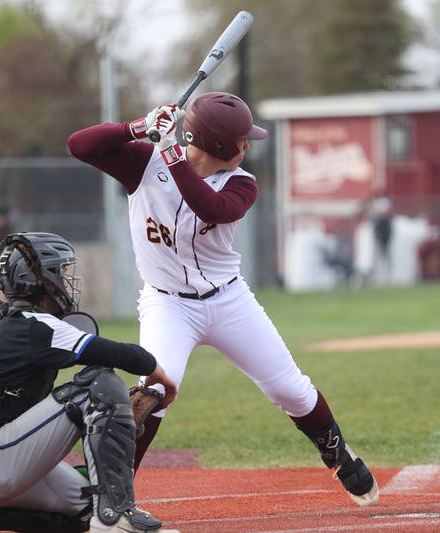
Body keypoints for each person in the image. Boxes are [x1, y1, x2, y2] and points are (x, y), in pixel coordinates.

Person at [68, 93, 379, 507]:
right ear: (218, 145)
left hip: (229, 301)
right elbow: (79, 144)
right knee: (152, 393)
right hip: (168, 305)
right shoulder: (145, 162)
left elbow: (209, 206)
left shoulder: (241, 182)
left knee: (292, 391)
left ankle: (338, 454)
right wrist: (138, 128)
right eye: (240, 139)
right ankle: (113, 494)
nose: (246, 146)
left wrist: (171, 154)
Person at [0, 232, 180, 533]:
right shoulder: (33, 324)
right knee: (98, 384)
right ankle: (114, 517)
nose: (66, 281)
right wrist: (158, 373)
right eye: (61, 272)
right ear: (39, 279)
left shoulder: (0, 323)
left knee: (87, 504)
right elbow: (112, 352)